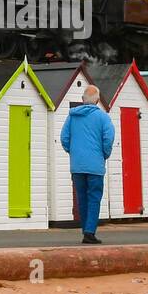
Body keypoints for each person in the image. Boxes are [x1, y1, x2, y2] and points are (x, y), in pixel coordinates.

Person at [59, 85, 115, 244]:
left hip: (77, 165)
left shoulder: (72, 116)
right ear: (97, 100)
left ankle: (85, 230)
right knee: (94, 197)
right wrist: (104, 154)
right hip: (95, 166)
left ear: (83, 100)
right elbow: (108, 139)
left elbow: (64, 138)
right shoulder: (103, 118)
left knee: (82, 198)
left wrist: (73, 152)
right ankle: (90, 232)